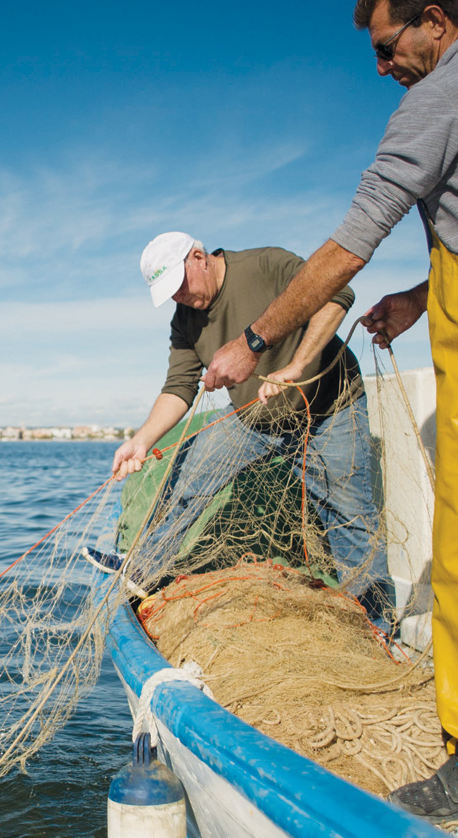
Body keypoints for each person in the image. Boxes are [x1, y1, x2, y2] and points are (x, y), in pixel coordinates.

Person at [199, 0, 458, 821]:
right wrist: (426, 296)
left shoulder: (440, 97)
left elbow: (352, 240)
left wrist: (253, 340)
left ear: (433, 20)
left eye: (388, 48)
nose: (383, 68)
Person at [103, 231, 395, 631]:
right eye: (169, 294)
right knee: (188, 476)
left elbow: (337, 295)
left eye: (180, 285)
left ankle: (379, 627)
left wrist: (296, 366)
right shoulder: (184, 320)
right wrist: (140, 442)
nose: (179, 298)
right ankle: (145, 571)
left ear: (199, 257)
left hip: (329, 409)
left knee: (350, 519)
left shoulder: (266, 265)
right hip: (253, 419)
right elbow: (179, 387)